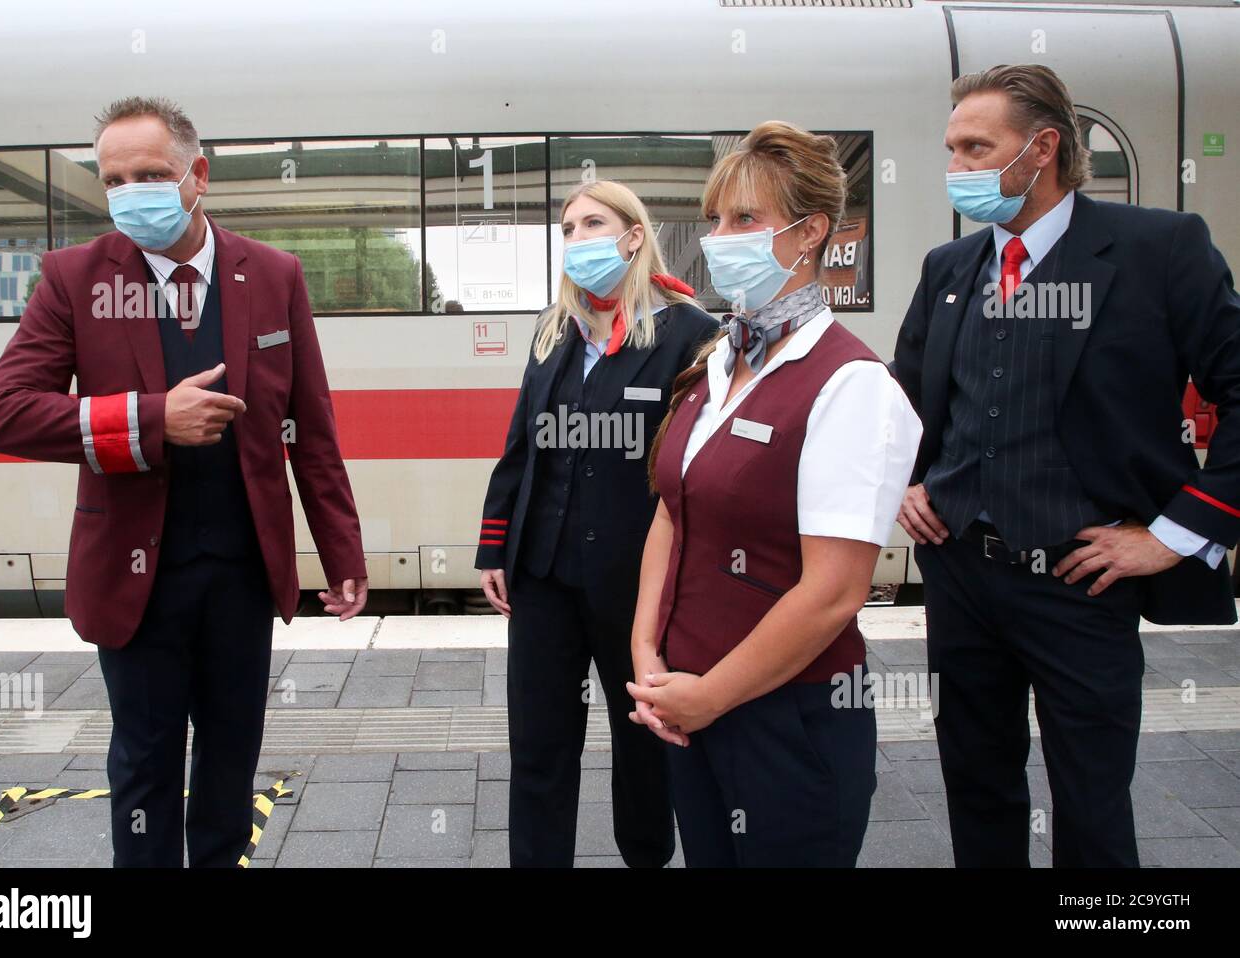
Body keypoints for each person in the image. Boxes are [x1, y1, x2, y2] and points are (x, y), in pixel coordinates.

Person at [0, 97, 368, 867]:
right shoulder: (73, 277)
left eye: (151, 174)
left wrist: (343, 556)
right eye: (113, 178)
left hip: (243, 575)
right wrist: (153, 418)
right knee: (145, 768)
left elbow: (312, 432)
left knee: (230, 766)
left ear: (198, 175)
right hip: (134, 576)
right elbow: (4, 415)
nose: (131, 193)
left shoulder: (276, 275)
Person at [892, 64, 1240, 867]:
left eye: (978, 146)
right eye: (952, 149)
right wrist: (909, 482)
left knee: (1090, 805)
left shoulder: (1160, 250)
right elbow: (904, 406)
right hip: (962, 578)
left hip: (1084, 584)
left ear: (1042, 147)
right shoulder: (951, 270)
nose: (959, 167)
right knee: (976, 789)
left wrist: (1174, 534)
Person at [628, 122, 922, 867]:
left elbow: (834, 591)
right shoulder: (717, 362)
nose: (720, 237)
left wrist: (712, 694)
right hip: (691, 707)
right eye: (718, 219)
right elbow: (673, 507)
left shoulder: (851, 385)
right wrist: (646, 647)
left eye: (746, 219)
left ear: (811, 232)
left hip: (788, 724)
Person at [476, 179, 717, 867]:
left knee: (644, 742)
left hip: (637, 581)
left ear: (633, 235)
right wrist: (496, 545)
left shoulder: (689, 334)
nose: (578, 240)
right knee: (540, 745)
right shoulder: (556, 331)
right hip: (544, 573)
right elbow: (521, 443)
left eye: (593, 224)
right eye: (569, 229)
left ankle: (645, 857)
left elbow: (695, 466)